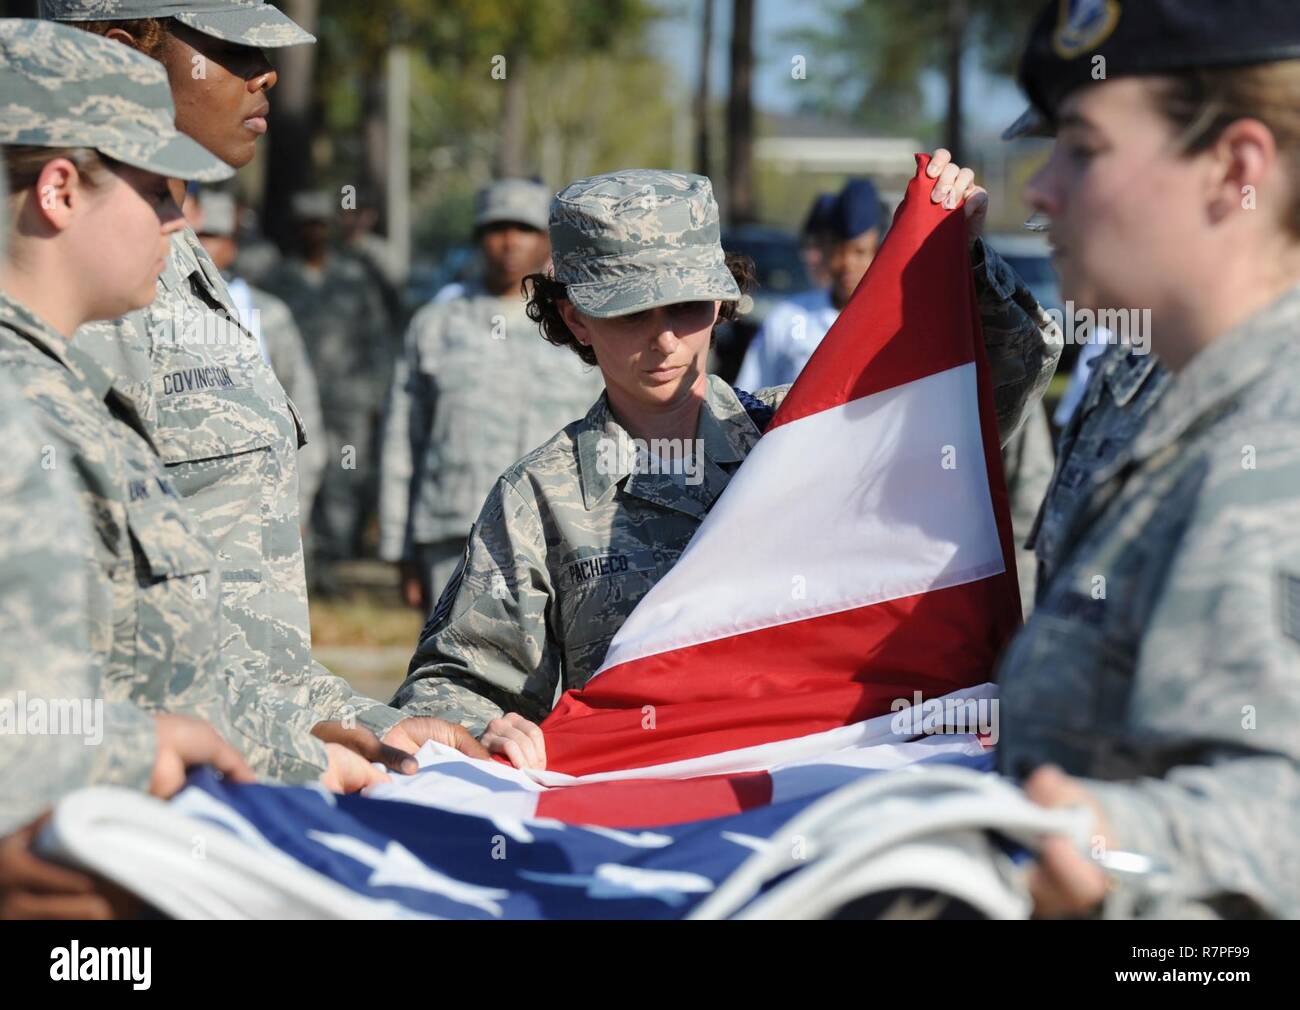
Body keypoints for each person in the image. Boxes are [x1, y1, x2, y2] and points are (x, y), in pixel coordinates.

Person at [389, 159, 1062, 768]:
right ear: (576, 317)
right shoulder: (538, 499)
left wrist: (958, 258)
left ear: (722, 300)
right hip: (648, 824)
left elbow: (997, 387)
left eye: (686, 307)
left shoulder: (803, 438)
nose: (664, 340)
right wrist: (478, 726)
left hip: (819, 797)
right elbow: (456, 681)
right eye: (629, 313)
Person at [0, 17, 403, 796]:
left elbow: (176, 636)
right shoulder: (34, 386)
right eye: (156, 190)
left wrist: (333, 728)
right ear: (58, 189)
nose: (182, 220)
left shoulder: (153, 277)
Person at [1001, 0, 1300, 918]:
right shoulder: (1205, 414)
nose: (1040, 191)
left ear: (1233, 169)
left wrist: (1113, 845)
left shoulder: (1276, 438)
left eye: (1084, 150)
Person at [378, 178, 605, 612]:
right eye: (496, 229)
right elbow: (402, 439)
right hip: (454, 533)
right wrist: (400, 546)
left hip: (561, 530)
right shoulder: (436, 324)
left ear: (547, 241)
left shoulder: (578, 324)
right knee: (454, 667)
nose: (509, 242)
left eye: (523, 229)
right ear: (479, 239)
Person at [263, 190, 395, 588]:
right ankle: (306, 562)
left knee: (345, 476)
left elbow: (377, 339)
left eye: (319, 225)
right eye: (305, 225)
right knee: (300, 476)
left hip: (348, 400)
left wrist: (376, 395)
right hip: (295, 402)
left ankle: (338, 560)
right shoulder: (278, 281)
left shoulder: (352, 278)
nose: (312, 233)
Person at [189, 187, 327, 524]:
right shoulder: (152, 309)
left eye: (212, 236)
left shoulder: (267, 312)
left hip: (259, 508)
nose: (199, 246)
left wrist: (300, 501)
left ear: (232, 245)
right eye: (192, 235)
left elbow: (302, 406)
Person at [735, 178, 884, 391]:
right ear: (826, 251)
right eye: (838, 251)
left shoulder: (890, 324)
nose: (847, 264)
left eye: (859, 252)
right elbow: (749, 396)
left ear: (877, 253)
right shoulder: (787, 318)